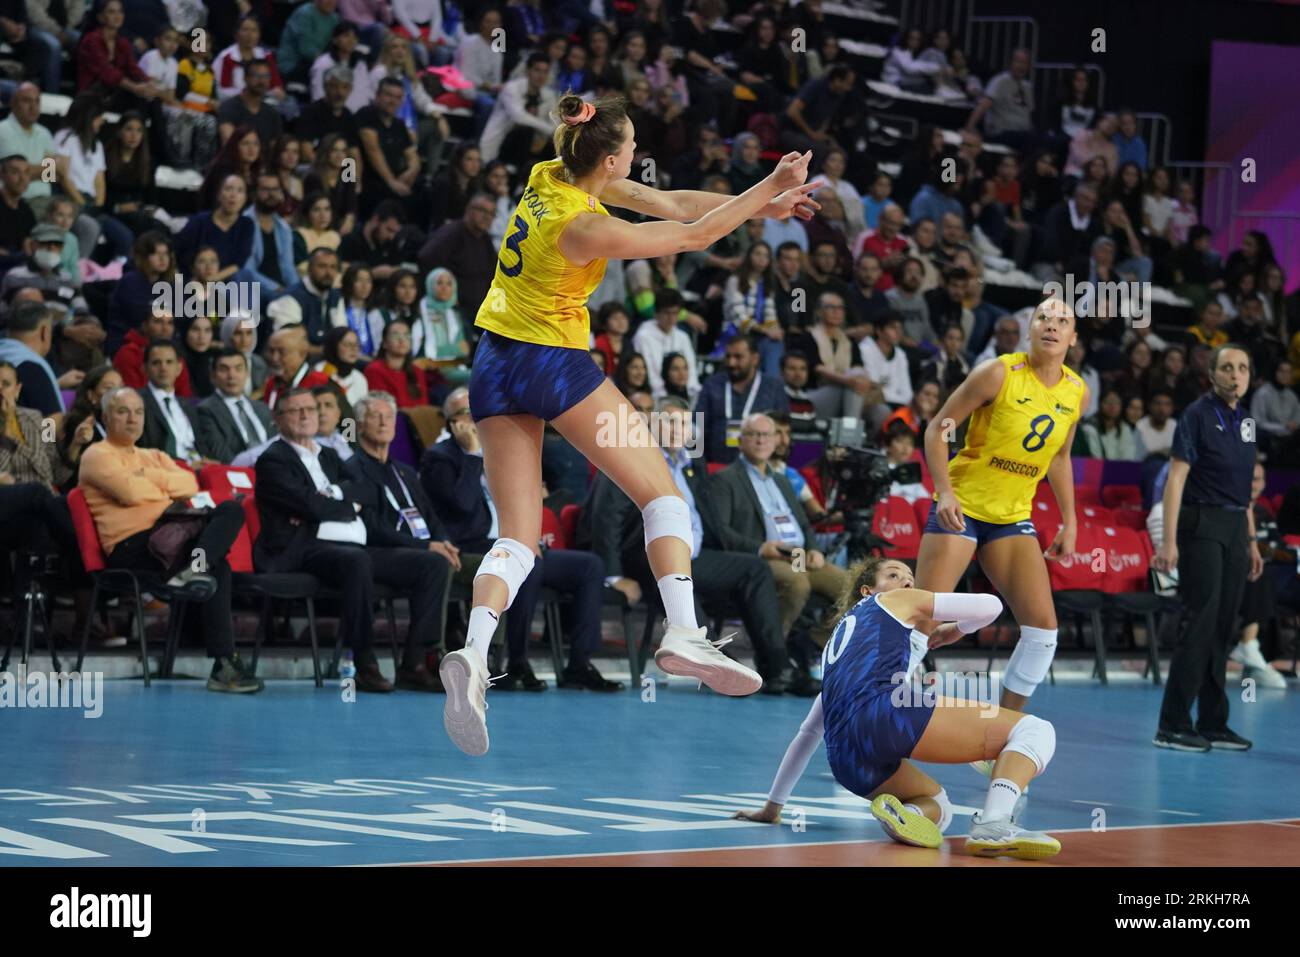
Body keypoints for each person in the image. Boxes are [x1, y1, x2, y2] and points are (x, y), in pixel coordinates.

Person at [438, 91, 819, 755]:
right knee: (663, 494)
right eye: (634, 148)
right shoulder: (586, 227)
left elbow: (673, 204)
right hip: (551, 364)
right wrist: (771, 184)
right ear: (611, 160)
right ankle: (682, 630)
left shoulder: (545, 174)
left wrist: (764, 205)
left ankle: (472, 652)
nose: (639, 156)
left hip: (492, 365)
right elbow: (695, 235)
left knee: (519, 538)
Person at [733, 557, 1062, 860]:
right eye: (893, 575)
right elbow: (991, 606)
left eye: (910, 577)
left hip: (845, 757)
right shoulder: (891, 601)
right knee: (1035, 730)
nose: (906, 581)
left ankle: (911, 815)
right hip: (883, 714)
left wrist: (772, 807)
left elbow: (807, 734)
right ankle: (994, 823)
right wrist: (954, 630)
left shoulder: (837, 646)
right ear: (868, 590)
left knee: (939, 808)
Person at [919, 298, 1087, 722]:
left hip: (1012, 517)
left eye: (1061, 321)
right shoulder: (998, 372)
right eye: (1043, 318)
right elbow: (937, 430)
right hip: (963, 506)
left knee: (1043, 631)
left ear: (1073, 337)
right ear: (1029, 330)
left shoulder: (1076, 390)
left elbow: (1061, 459)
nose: (1051, 325)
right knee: (918, 623)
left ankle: (999, 737)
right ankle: (868, 716)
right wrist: (945, 492)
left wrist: (1070, 520)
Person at [579, 397, 814, 695]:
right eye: (671, 422)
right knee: (685, 585)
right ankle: (721, 666)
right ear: (654, 424)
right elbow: (605, 518)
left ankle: (778, 667)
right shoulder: (633, 456)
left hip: (694, 554)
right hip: (646, 556)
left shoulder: (693, 465)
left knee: (753, 569)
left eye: (684, 423)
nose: (679, 429)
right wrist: (613, 576)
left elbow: (709, 518)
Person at [79, 386, 260, 693]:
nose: (132, 419)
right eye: (123, 412)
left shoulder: (153, 454)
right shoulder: (96, 455)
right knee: (219, 568)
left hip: (173, 537)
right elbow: (130, 492)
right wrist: (162, 484)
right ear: (106, 417)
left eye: (138, 412)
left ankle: (195, 574)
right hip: (133, 547)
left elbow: (189, 483)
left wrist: (145, 478)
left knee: (231, 510)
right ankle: (224, 662)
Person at [1151, 344, 1261, 751]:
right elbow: (1176, 479)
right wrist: (1168, 539)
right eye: (1228, 368)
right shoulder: (1197, 415)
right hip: (1200, 523)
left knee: (1224, 625)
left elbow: (1246, 489)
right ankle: (1172, 724)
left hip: (1234, 525)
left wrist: (1249, 540)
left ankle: (1214, 722)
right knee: (1200, 621)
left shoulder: (1247, 421)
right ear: (1212, 374)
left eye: (1244, 368)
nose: (1236, 375)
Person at [252, 386, 395, 692]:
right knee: (356, 561)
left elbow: (369, 492)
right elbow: (310, 506)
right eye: (295, 410)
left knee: (429, 564)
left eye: (311, 409)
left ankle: (420, 662)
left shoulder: (329, 454)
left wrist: (336, 495)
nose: (305, 415)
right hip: (299, 547)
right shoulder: (273, 459)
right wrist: (345, 506)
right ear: (278, 419)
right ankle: (365, 662)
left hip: (346, 541)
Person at [343, 391, 455, 691]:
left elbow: (430, 516)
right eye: (375, 416)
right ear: (360, 424)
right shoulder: (352, 469)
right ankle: (417, 662)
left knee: (461, 563)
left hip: (413, 552)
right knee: (433, 563)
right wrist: (426, 547)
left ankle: (479, 660)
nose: (384, 422)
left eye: (389, 416)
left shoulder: (404, 471)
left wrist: (443, 540)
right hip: (375, 552)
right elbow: (372, 527)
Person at [713, 411, 849, 647]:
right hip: (763, 558)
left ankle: (809, 644)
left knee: (851, 587)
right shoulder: (726, 479)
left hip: (798, 556)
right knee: (797, 583)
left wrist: (815, 549)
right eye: (753, 434)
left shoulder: (782, 480)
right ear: (740, 439)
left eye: (766, 435)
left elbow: (804, 524)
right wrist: (761, 548)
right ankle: (773, 647)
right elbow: (721, 531)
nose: (760, 440)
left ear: (776, 441)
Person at [694, 333, 791, 465]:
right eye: (728, 356)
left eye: (738, 357)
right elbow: (698, 426)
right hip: (716, 467)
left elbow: (782, 430)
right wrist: (699, 466)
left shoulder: (773, 388)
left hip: (759, 467)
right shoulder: (712, 384)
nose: (731, 362)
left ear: (755, 359)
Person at [195, 347, 274, 463]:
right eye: (224, 369)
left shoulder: (262, 408)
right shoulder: (206, 410)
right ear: (213, 376)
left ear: (247, 373)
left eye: (238, 369)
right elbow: (221, 454)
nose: (232, 376)